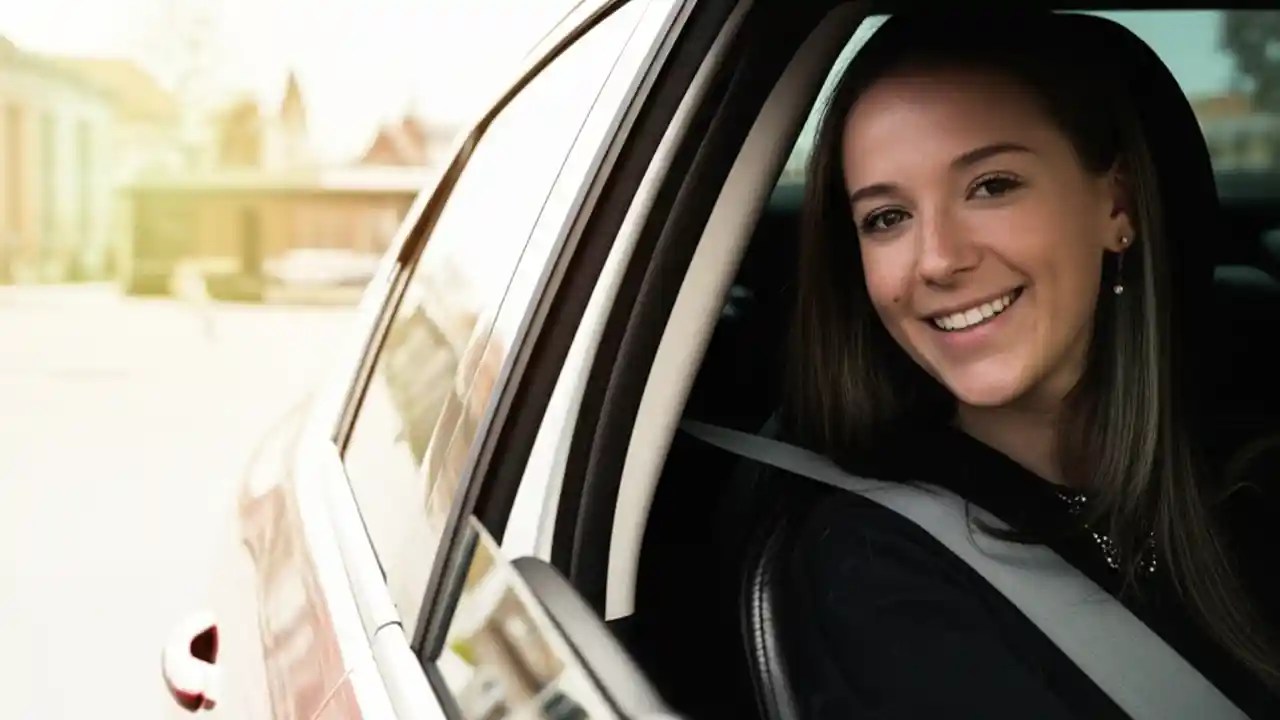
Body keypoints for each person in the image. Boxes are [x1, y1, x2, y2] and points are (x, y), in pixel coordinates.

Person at [775, 9, 1280, 719]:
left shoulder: (1246, 476)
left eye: (991, 185)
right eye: (886, 217)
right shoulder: (879, 567)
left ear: (1118, 204)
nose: (939, 259)